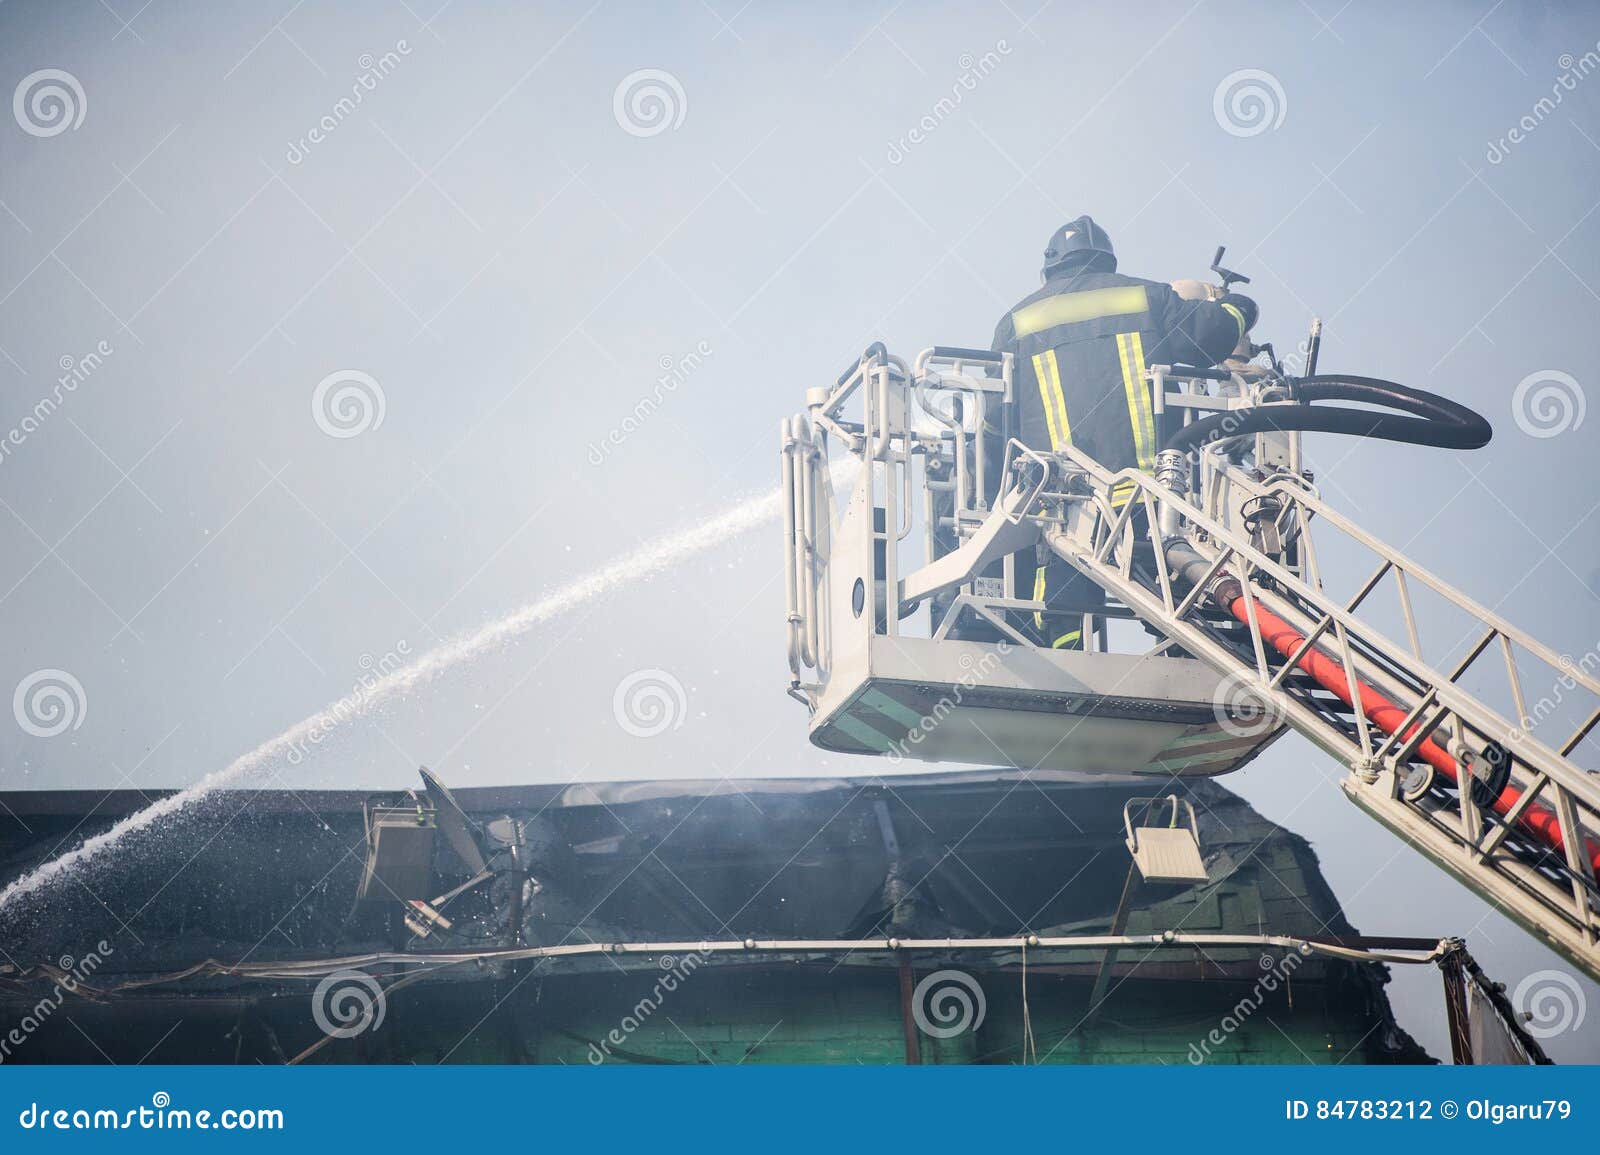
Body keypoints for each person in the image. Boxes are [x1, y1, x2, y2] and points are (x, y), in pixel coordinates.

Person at [990, 215, 1258, 650]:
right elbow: (1213, 335)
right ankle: (1186, 652)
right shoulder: (1147, 298)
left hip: (1064, 501)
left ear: (1051, 266)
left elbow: (994, 419)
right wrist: (1240, 307)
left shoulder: (1016, 323)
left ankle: (1069, 656)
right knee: (1176, 600)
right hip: (1149, 497)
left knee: (1066, 608)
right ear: (1107, 259)